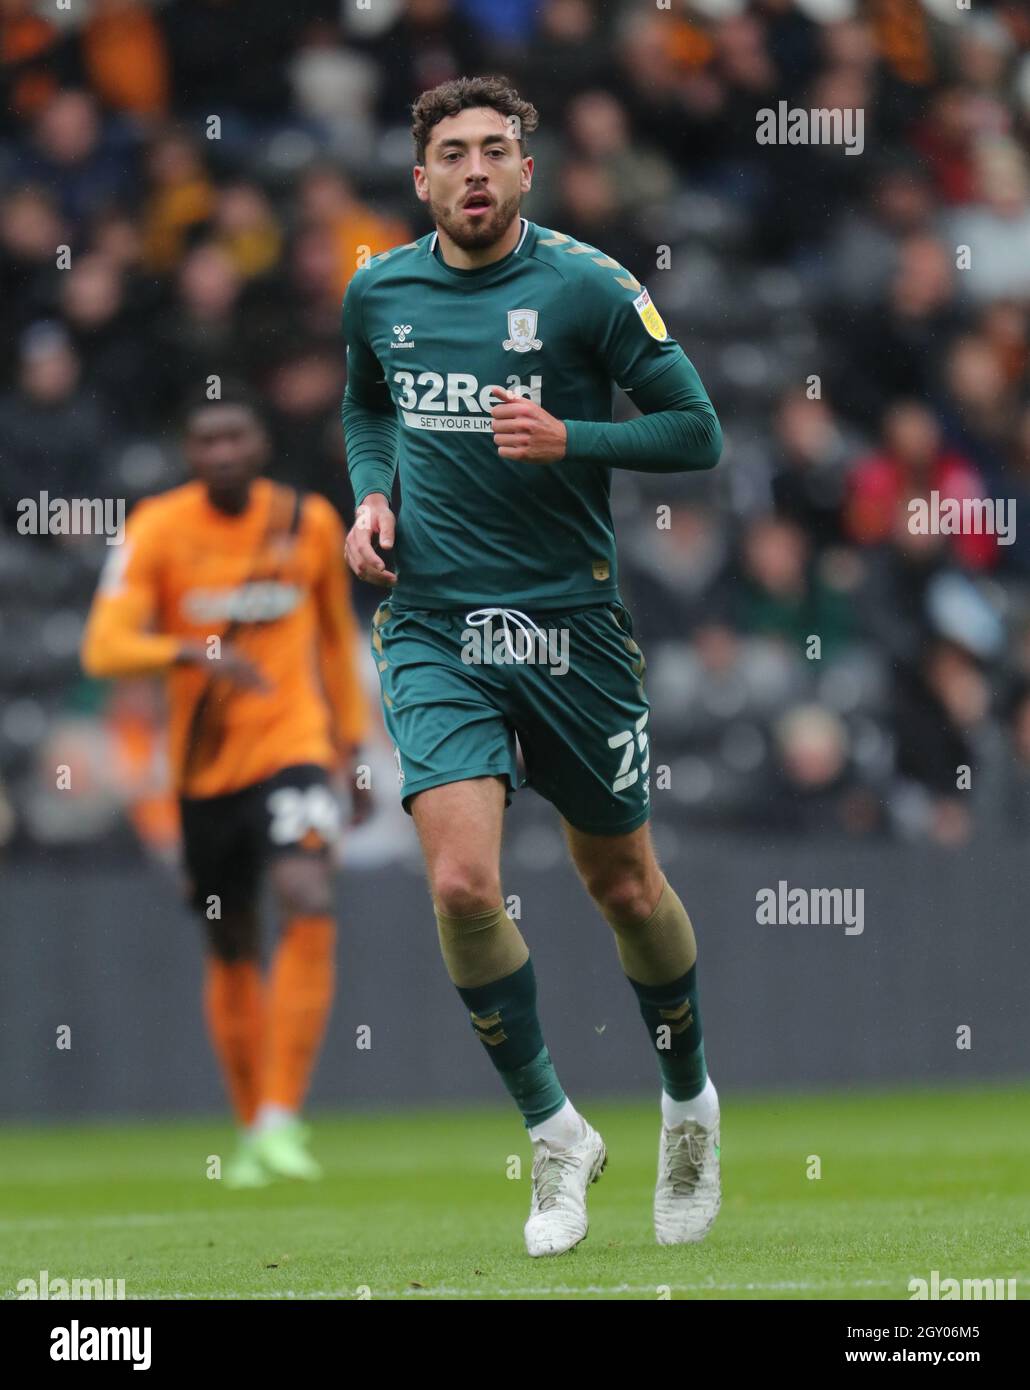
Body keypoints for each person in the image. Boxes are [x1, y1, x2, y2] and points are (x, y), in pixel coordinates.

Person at [341, 75, 724, 1257]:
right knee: (461, 885)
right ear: (420, 180)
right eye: (450, 152)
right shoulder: (378, 288)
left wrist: (577, 439)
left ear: (524, 171)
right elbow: (369, 406)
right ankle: (554, 1130)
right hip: (436, 625)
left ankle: (689, 1099)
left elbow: (696, 430)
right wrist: (368, 496)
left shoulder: (589, 287)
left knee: (624, 886)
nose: (471, 170)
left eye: (493, 150)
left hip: (570, 627)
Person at [81, 390, 370, 1187]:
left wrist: (352, 749)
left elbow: (336, 639)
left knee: (307, 893)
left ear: (260, 443)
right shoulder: (157, 529)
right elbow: (103, 647)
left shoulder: (305, 521)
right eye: (204, 440)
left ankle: (282, 1115)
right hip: (204, 772)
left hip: (294, 748)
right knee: (232, 942)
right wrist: (188, 653)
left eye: (233, 436)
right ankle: (252, 1129)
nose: (220, 453)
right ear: (189, 453)